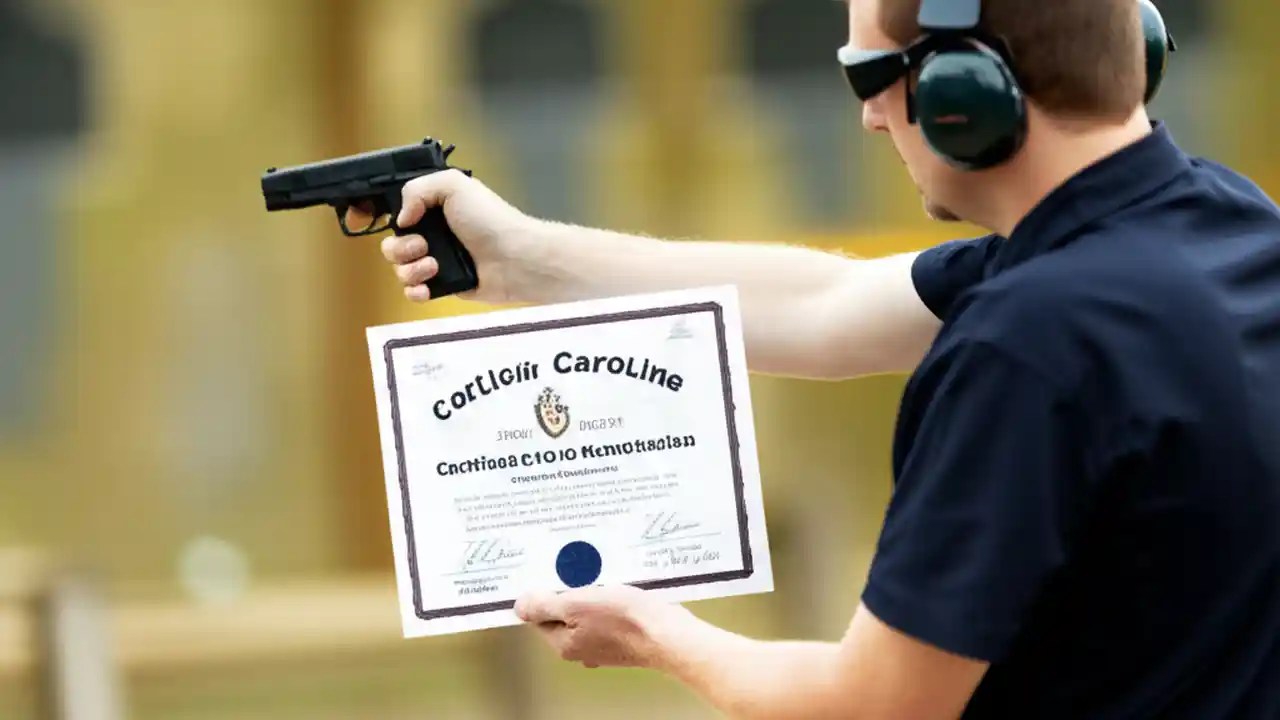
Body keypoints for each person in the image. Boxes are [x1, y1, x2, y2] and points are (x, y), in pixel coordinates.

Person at [355, 0, 1280, 717]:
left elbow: (868, 705)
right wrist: (522, 261)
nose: (874, 121)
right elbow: (829, 307)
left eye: (869, 77)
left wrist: (653, 632)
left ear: (965, 92)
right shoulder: (1228, 228)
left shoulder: (1030, 342)